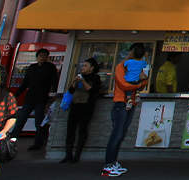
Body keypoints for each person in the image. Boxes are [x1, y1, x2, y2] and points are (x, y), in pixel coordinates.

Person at [103, 42, 149, 177]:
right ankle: (108, 166)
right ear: (131, 52)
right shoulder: (121, 66)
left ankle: (113, 162)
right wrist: (139, 84)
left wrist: (141, 82)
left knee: (121, 134)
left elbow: (143, 83)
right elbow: (123, 85)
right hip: (120, 104)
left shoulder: (139, 66)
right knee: (116, 134)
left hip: (131, 103)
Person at [10, 48, 57, 150]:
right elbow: (25, 83)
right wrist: (16, 95)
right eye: (41, 56)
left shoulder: (50, 68)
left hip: (42, 98)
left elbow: (54, 82)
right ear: (37, 57)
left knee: (39, 122)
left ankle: (38, 143)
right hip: (30, 98)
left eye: (44, 56)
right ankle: (11, 140)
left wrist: (52, 97)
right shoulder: (32, 68)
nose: (42, 58)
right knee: (21, 120)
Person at [61, 57, 102, 163]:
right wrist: (74, 82)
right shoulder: (79, 76)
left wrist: (83, 81)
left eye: (85, 65)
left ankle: (77, 155)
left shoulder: (95, 78)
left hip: (86, 107)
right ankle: (68, 155)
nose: (83, 67)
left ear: (92, 68)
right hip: (75, 106)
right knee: (70, 130)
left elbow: (92, 90)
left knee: (82, 130)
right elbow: (70, 90)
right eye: (82, 65)